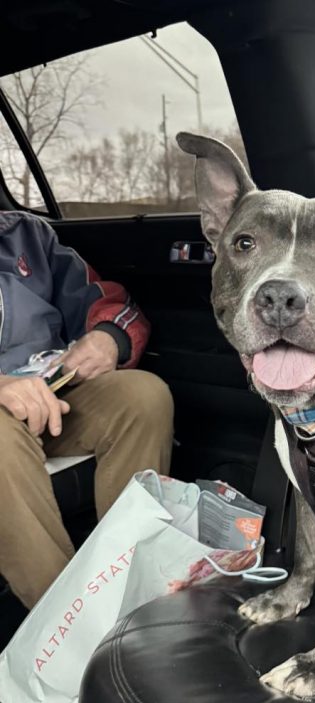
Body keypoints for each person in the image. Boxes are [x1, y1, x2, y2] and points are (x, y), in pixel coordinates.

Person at [0, 210, 174, 609]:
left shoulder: (26, 235)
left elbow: (109, 302)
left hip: (50, 396)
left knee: (142, 396)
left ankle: (128, 587)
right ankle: (67, 623)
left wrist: (108, 337)